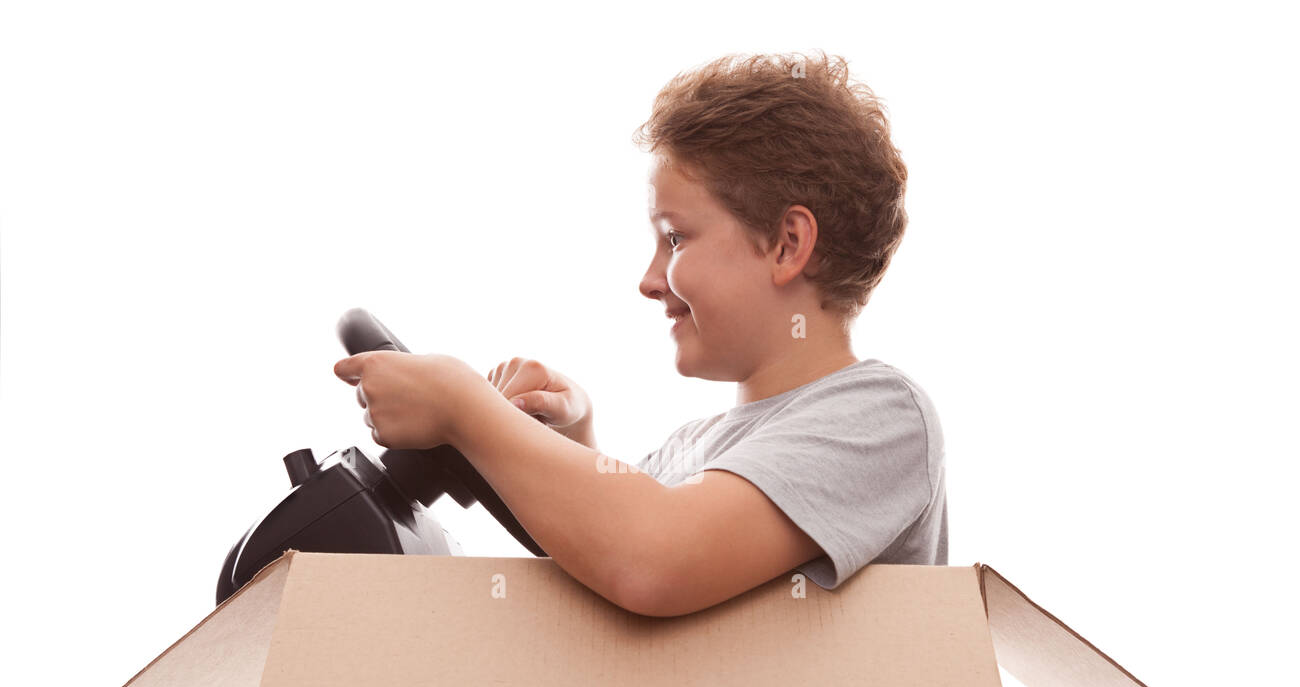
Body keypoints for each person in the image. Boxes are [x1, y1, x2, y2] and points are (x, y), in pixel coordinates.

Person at [333, 51, 946, 617]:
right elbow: (609, 554)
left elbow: (652, 561)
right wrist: (574, 439)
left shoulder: (883, 417)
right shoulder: (693, 449)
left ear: (787, 245)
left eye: (676, 238)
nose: (650, 281)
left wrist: (464, 408)